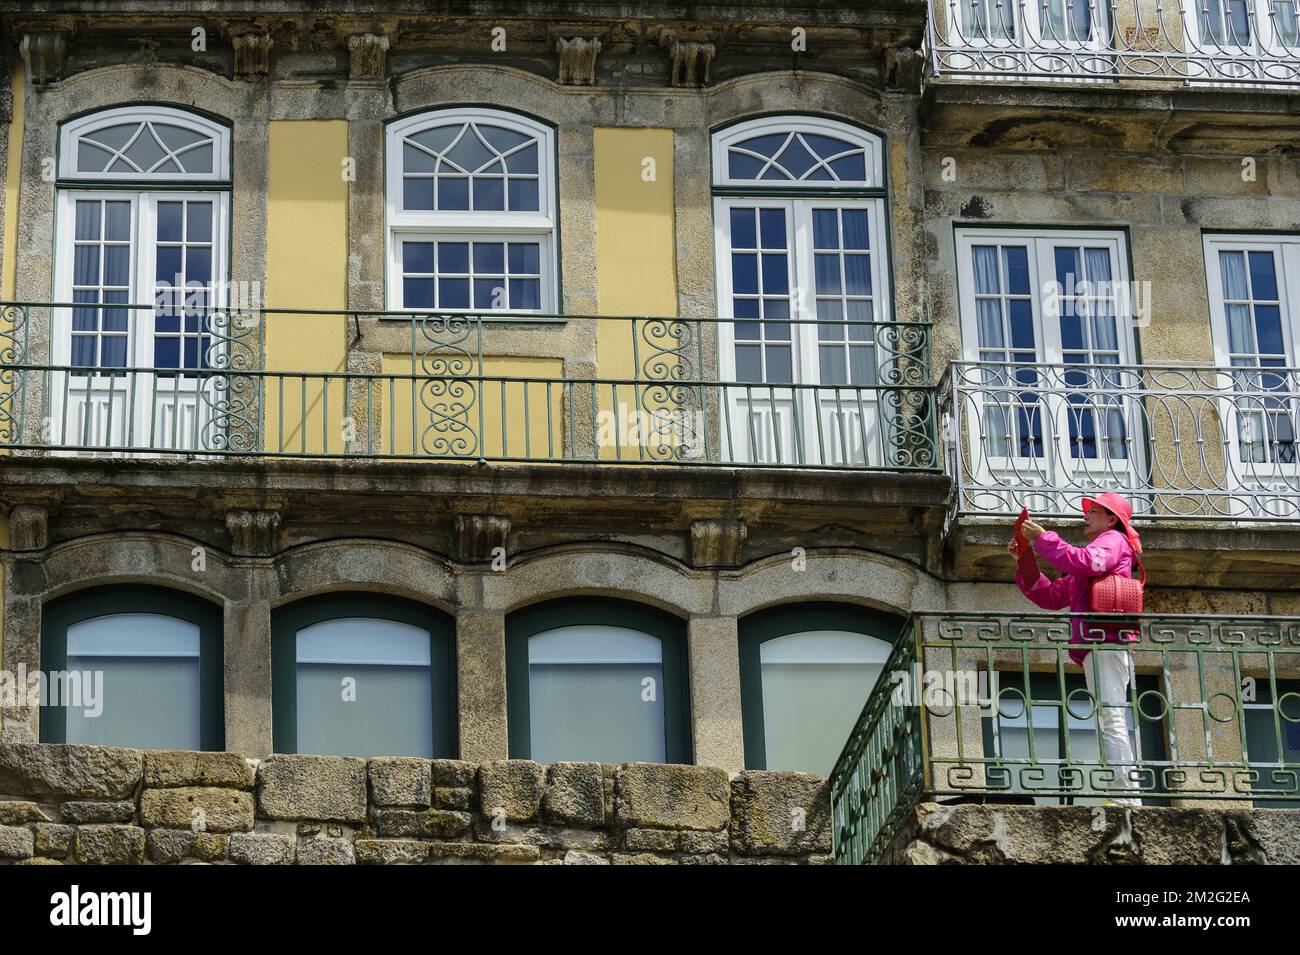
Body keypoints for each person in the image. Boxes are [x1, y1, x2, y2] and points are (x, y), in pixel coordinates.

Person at [1009, 492, 1143, 807]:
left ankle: (1126, 797)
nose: (1087, 515)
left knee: (1110, 715)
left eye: (1094, 511)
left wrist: (1044, 539)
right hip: (1099, 644)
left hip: (1106, 643)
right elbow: (1052, 595)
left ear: (1111, 519)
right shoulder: (1095, 554)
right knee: (1106, 716)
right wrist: (1025, 561)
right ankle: (1122, 792)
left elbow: (1085, 560)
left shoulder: (1113, 541)